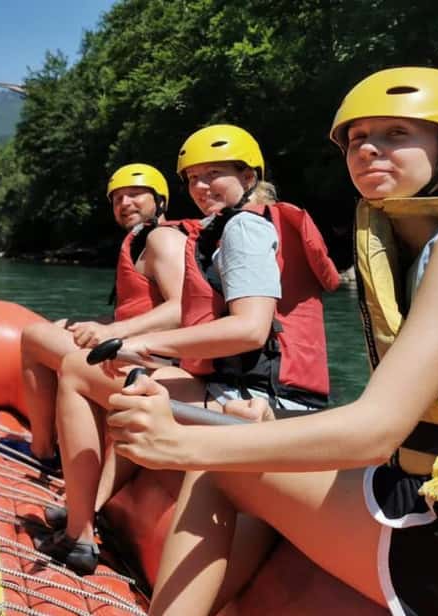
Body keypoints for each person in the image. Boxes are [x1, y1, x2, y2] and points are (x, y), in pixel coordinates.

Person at [109, 68, 438, 616]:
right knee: (247, 447)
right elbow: (406, 417)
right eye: (356, 138)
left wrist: (181, 445)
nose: (368, 148)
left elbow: (375, 432)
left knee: (216, 467)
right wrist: (280, 424)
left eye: (397, 133)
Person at [42, 125, 338, 575]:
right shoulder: (237, 226)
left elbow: (250, 330)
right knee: (126, 382)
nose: (201, 188)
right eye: (193, 178)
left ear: (248, 176)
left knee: (77, 368)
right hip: (249, 392)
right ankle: (91, 508)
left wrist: (135, 341)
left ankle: (79, 532)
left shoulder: (243, 230)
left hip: (258, 404)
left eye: (214, 174)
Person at [19, 163, 185, 518]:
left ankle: (44, 450)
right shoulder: (143, 240)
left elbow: (182, 309)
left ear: (160, 200)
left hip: (155, 360)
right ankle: (64, 440)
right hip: (139, 347)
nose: (125, 203)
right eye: (117, 198)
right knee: (56, 326)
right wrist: (101, 323)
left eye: (135, 195)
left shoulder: (162, 239)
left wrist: (112, 332)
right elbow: (142, 306)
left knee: (34, 337)